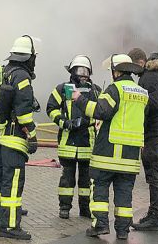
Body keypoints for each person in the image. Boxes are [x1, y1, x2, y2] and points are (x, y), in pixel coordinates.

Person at [72, 54, 147, 241]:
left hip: (108, 152)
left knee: (100, 188)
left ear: (117, 71)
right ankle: (122, 231)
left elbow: (100, 111)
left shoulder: (115, 89)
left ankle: (100, 225)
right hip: (130, 156)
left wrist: (79, 99)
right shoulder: (142, 92)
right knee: (124, 194)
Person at [0, 35, 40, 240]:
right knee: (13, 182)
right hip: (13, 141)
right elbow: (24, 112)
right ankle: (9, 226)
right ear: (28, 58)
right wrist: (33, 136)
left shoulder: (4, 71)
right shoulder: (22, 77)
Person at [46, 55, 101, 219]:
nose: (83, 75)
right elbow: (51, 108)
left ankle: (85, 209)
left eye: (86, 71)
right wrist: (65, 122)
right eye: (80, 71)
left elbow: (101, 111)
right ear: (72, 71)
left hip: (87, 143)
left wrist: (86, 121)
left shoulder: (96, 91)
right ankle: (64, 207)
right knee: (67, 180)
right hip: (68, 142)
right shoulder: (62, 89)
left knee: (86, 181)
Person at [131, 52, 158, 232]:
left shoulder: (149, 77)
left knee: (154, 175)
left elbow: (151, 103)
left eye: (134, 67)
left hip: (154, 133)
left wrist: (136, 115)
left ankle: (154, 216)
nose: (133, 72)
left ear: (141, 62)